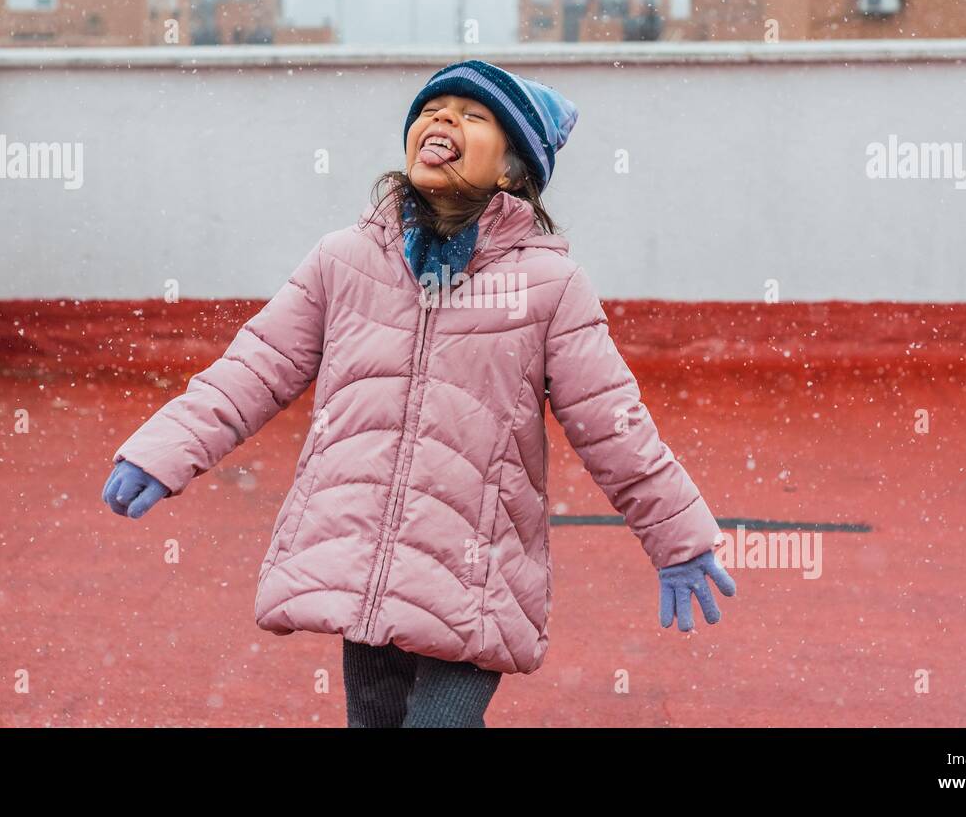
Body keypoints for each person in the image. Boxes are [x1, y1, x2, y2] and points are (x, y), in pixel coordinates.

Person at [101, 59, 736, 727]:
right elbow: (256, 365)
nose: (442, 120)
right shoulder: (343, 259)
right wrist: (164, 447)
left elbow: (613, 424)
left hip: (475, 574)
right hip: (364, 559)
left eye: (473, 115)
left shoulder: (548, 287)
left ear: (511, 171)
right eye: (433, 110)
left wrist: (677, 534)